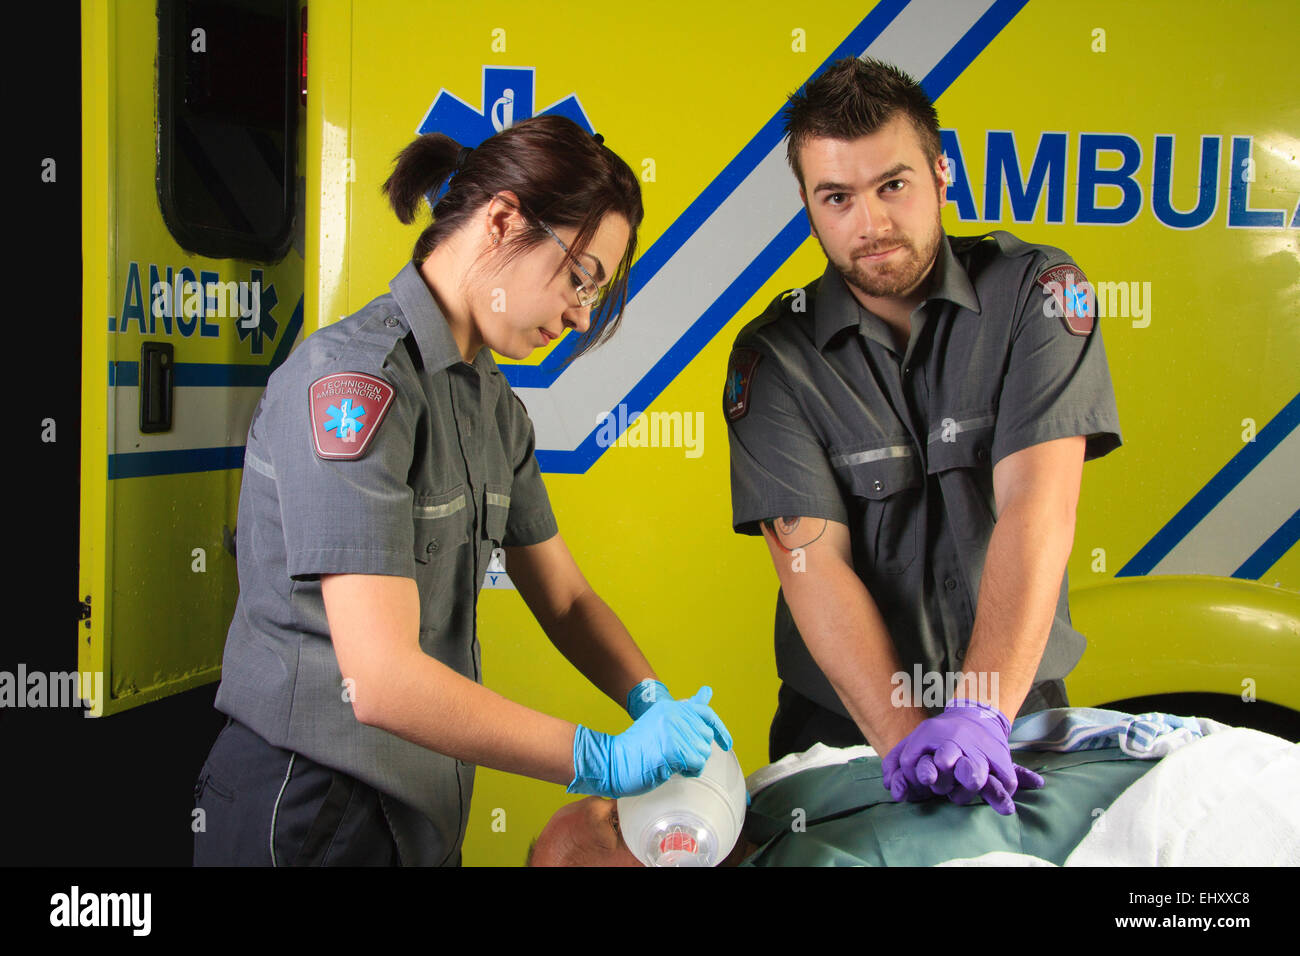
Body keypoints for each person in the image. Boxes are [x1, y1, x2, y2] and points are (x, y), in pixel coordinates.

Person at [194, 115, 732, 866]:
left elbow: (567, 599)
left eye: (595, 294)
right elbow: (381, 681)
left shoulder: (492, 407)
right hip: (312, 806)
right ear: (504, 219)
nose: (581, 315)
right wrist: (598, 758)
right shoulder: (355, 386)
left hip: (418, 814)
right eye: (581, 279)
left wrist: (652, 699)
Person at [722, 57, 1121, 816]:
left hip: (1018, 717)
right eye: (837, 197)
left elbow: (1037, 508)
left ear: (943, 175)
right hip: (846, 735)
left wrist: (981, 715)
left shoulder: (1037, 296)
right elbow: (813, 566)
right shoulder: (773, 359)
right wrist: (904, 742)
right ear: (807, 204)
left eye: (892, 186)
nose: (870, 224)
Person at [528, 708, 1300, 867]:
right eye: (613, 825)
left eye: (607, 800)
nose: (639, 793)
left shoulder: (773, 789)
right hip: (1203, 832)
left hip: (1189, 750)